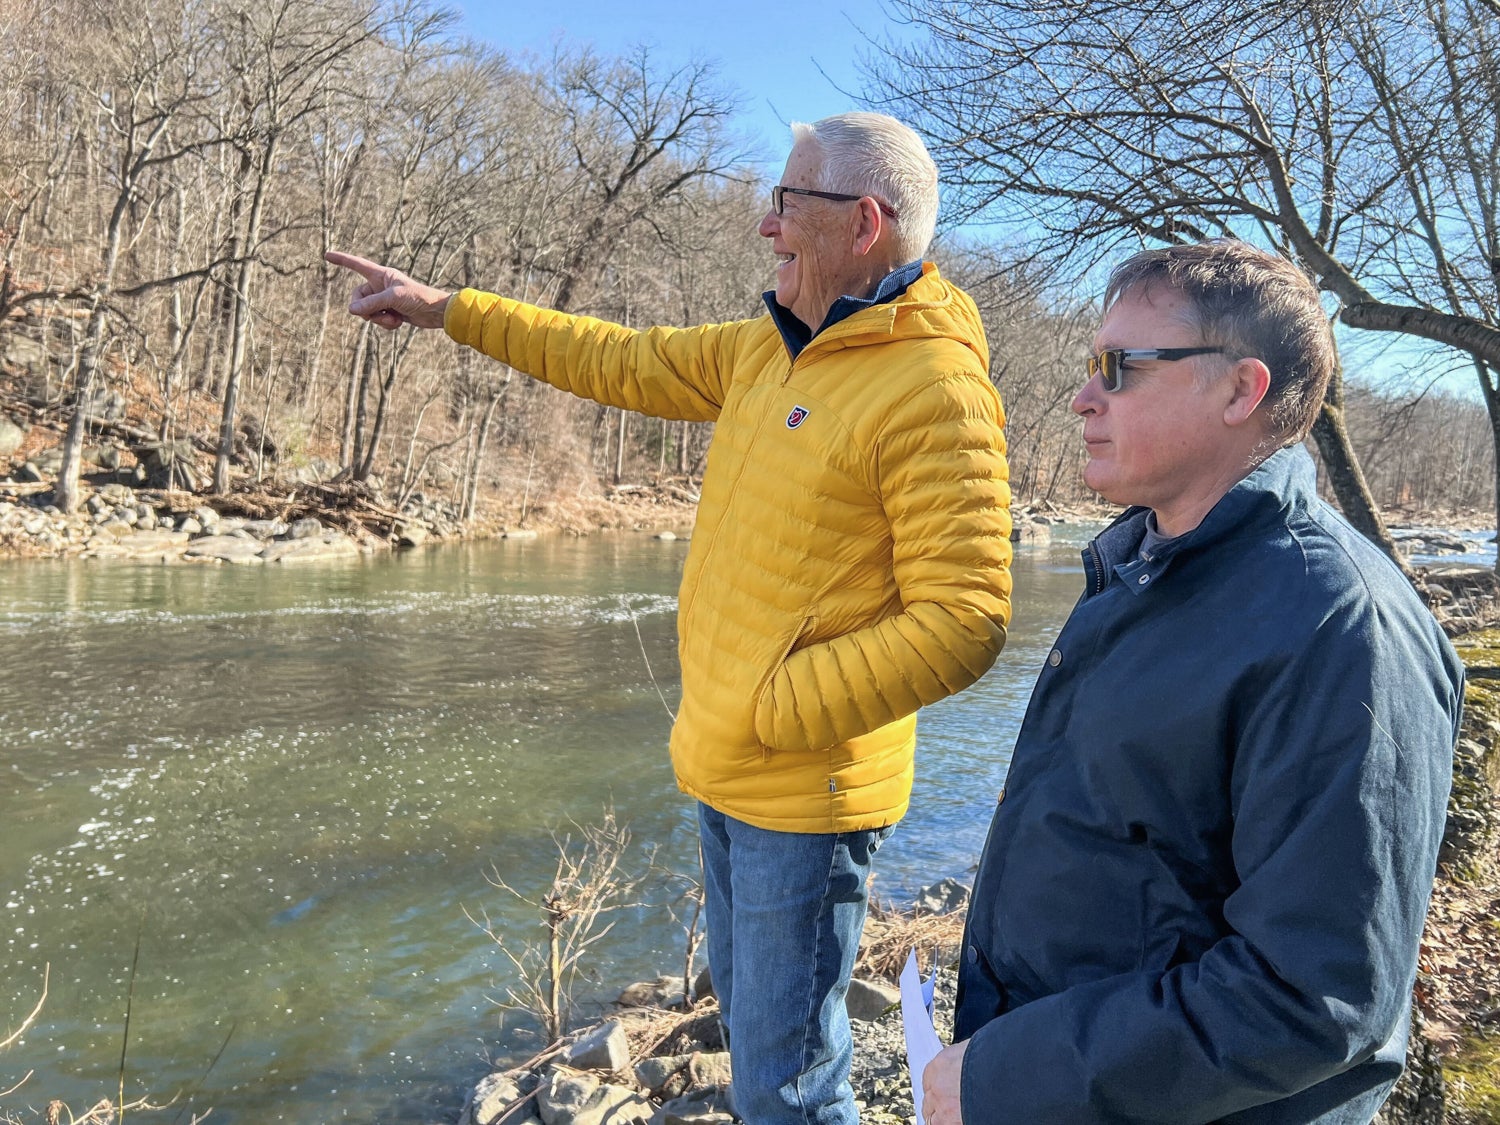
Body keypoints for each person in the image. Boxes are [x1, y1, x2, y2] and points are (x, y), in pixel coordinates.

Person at [328, 112, 1013, 1125]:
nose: (767, 225)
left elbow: (966, 618)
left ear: (864, 223)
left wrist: (777, 707)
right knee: (765, 1057)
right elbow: (616, 357)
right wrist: (448, 311)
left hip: (803, 791)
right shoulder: (770, 347)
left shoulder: (935, 387)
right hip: (729, 764)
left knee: (788, 1087)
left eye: (788, 203)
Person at [923, 239, 1463, 1125]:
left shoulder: (1341, 627)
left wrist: (1013, 1074)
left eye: (1119, 367)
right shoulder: (1141, 568)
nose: (1083, 396)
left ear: (1241, 390)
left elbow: (1313, 995)